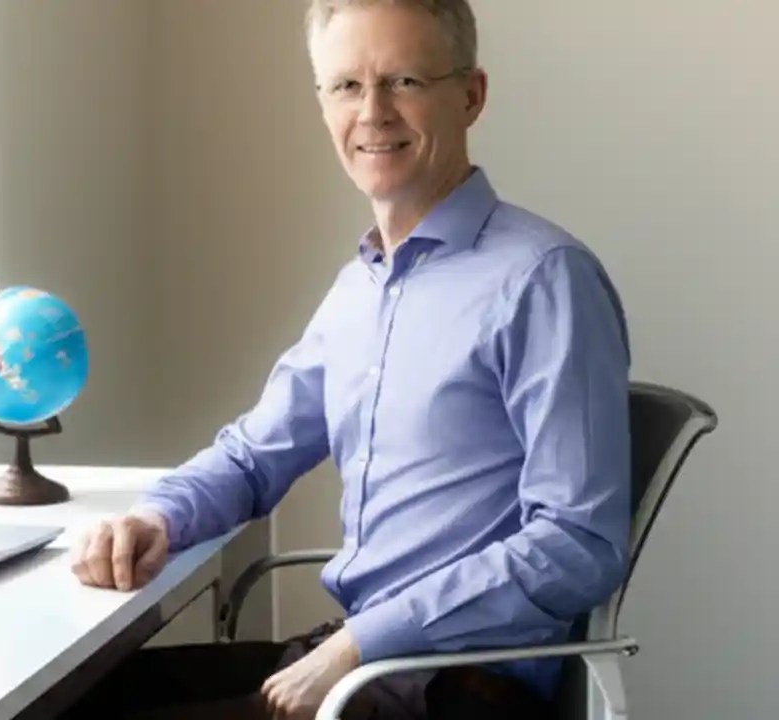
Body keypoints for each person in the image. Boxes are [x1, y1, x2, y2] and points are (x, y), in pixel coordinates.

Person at [65, 1, 631, 718]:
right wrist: (158, 518)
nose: (373, 113)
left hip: (457, 685)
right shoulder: (361, 288)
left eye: (403, 81)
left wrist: (359, 645)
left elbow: (578, 543)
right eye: (346, 86)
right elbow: (253, 457)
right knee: (74, 696)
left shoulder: (542, 280)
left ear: (471, 95)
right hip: (362, 656)